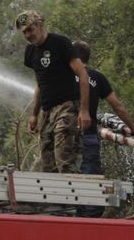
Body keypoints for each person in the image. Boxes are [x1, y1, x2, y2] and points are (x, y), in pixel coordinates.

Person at [71, 40, 134, 217]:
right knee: (91, 179)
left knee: (66, 177)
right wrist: (133, 127)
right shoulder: (97, 77)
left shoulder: (64, 74)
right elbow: (117, 106)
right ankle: (90, 219)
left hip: (65, 137)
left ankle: (72, 218)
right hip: (89, 137)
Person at [16, 10, 91, 174]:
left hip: (67, 108)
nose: (28, 35)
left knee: (65, 162)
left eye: (30, 29)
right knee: (48, 168)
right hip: (47, 112)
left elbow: (83, 75)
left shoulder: (60, 43)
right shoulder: (30, 52)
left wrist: (84, 110)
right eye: (24, 32)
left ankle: (74, 197)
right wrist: (34, 114)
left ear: (40, 25)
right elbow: (40, 84)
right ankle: (54, 200)